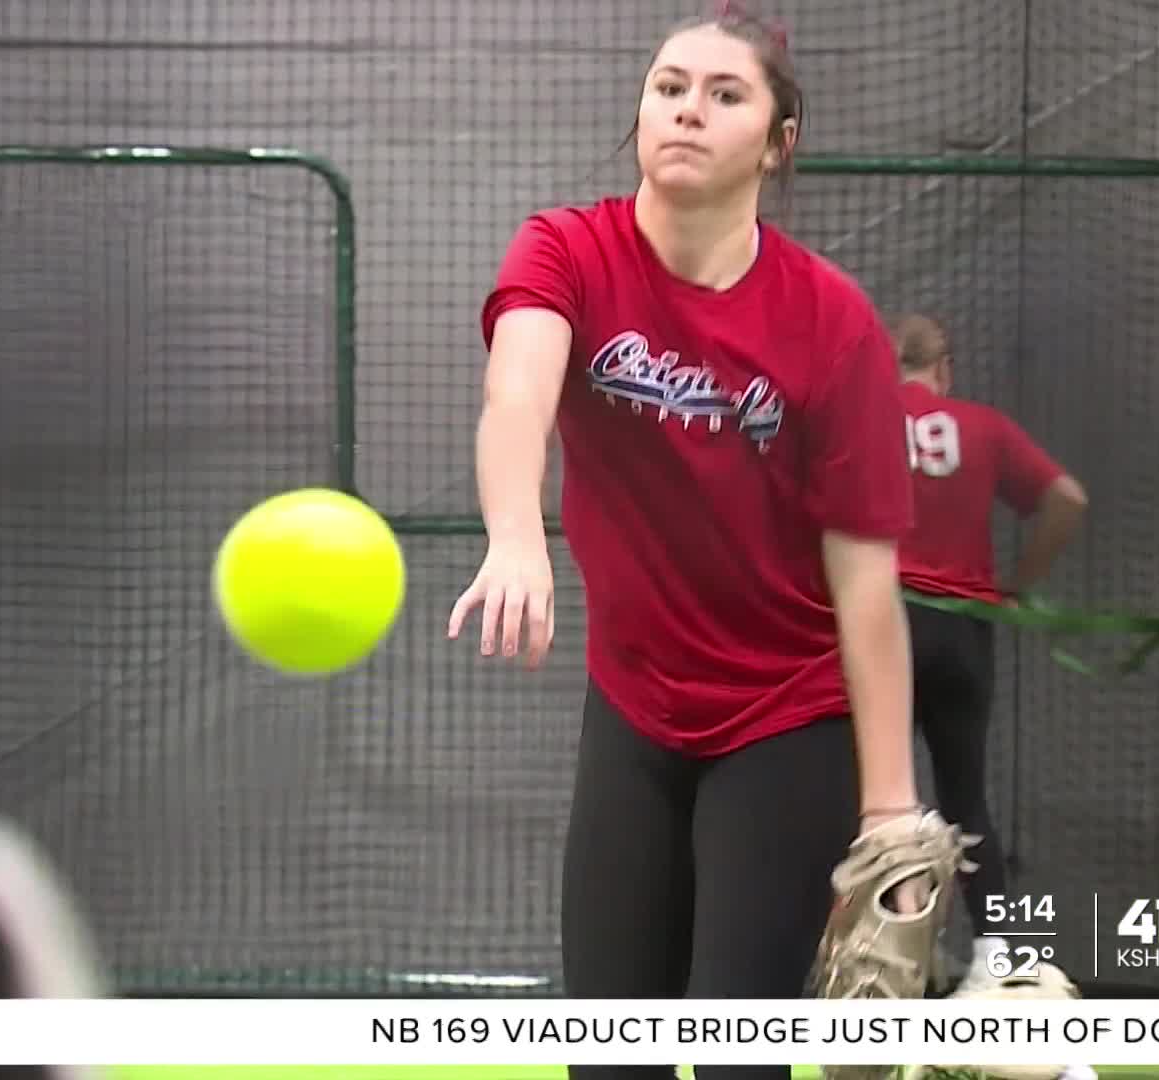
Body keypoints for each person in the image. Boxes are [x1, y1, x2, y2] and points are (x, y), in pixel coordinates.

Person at [446, 8, 948, 1077]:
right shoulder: (566, 249)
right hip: (634, 705)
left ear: (778, 142)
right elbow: (517, 393)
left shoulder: (832, 324)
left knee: (733, 1058)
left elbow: (867, 588)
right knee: (608, 1056)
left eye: (727, 94)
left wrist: (892, 813)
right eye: (670, 85)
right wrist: (514, 536)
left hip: (788, 716)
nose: (687, 107)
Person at [890, 312, 1087, 986]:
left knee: (879, 798)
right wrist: (1016, 584)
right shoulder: (982, 426)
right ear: (944, 368)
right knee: (966, 797)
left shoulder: (862, 423)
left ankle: (897, 954)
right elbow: (1068, 498)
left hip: (881, 628)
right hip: (964, 629)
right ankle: (999, 957)